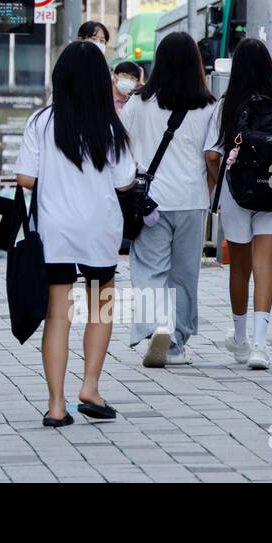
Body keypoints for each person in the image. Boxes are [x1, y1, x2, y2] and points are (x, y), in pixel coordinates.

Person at [15, 41, 135, 427]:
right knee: (101, 307)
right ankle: (91, 388)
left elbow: (24, 179)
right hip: (99, 229)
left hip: (55, 231)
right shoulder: (111, 126)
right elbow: (124, 181)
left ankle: (55, 405)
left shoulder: (41, 122)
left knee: (58, 314)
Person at [119, 33, 217, 368]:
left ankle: (154, 327)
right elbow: (211, 156)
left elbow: (120, 148)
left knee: (148, 269)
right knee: (186, 274)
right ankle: (176, 343)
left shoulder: (138, 103)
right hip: (191, 199)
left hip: (151, 202)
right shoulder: (208, 107)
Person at [206, 38, 272, 371]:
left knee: (240, 268)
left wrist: (226, 182)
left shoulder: (227, 105)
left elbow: (212, 155)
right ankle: (261, 345)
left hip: (238, 196)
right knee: (265, 268)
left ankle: (241, 339)